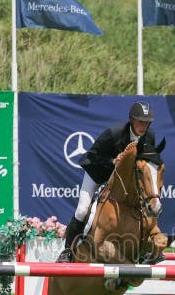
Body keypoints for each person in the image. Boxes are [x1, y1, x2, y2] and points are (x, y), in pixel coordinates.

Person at [56, 101, 157, 263]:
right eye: (140, 121)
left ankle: (143, 249)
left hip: (123, 178)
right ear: (131, 120)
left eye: (146, 122)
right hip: (98, 172)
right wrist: (112, 161)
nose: (143, 126)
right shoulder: (114, 133)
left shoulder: (149, 137)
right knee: (82, 209)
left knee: (142, 205)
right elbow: (92, 156)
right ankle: (67, 251)